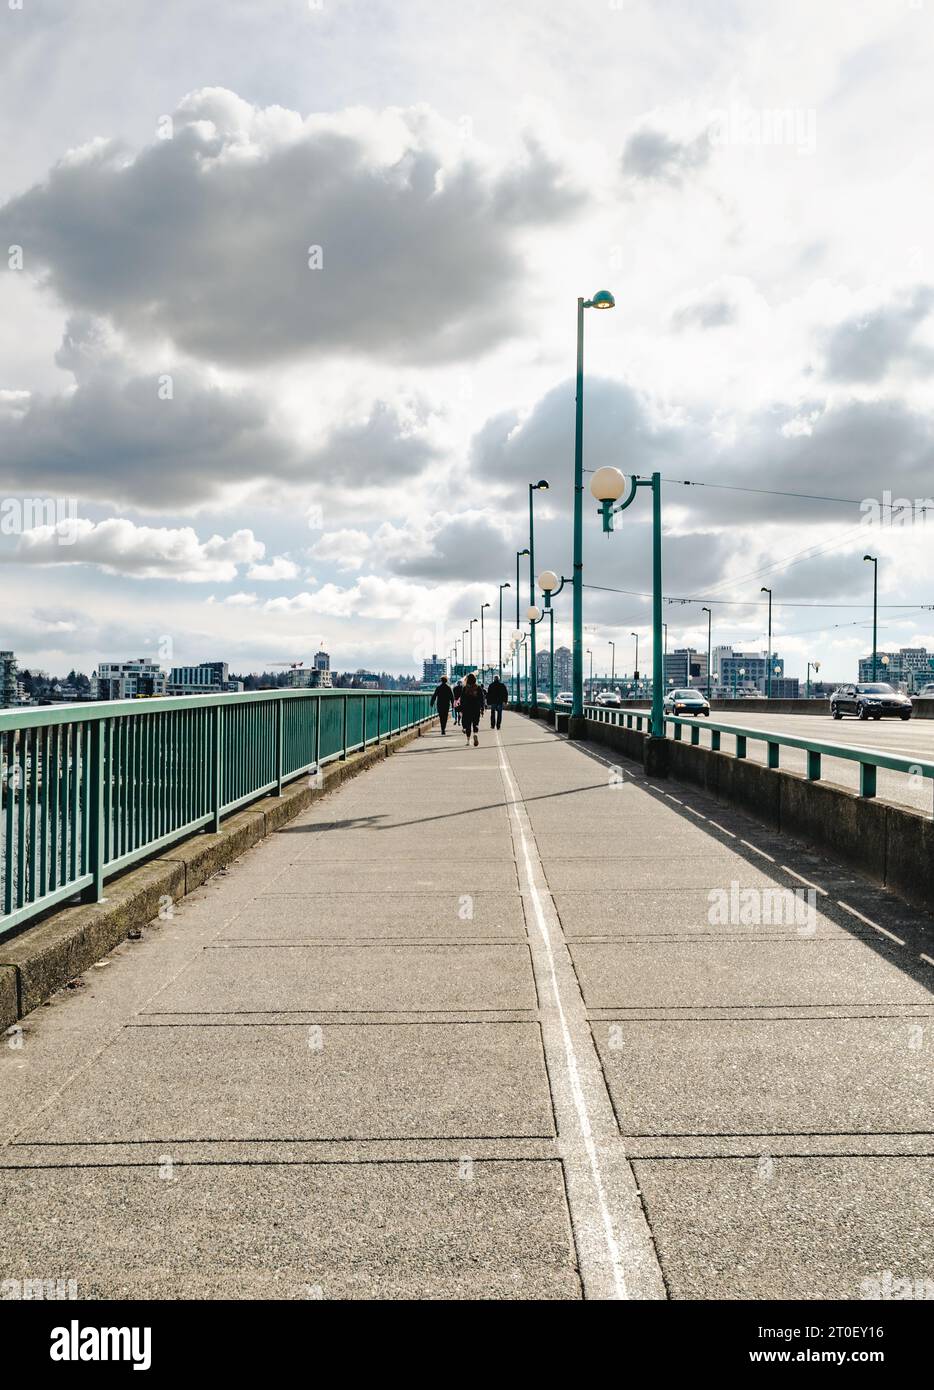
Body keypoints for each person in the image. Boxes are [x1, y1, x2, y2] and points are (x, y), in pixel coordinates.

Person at [459, 672, 485, 747]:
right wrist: (482, 708)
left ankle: (468, 741)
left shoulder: (465, 688)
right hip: (476, 708)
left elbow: (462, 699)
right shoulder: (478, 687)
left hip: (467, 708)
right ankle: (475, 734)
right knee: (475, 723)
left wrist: (461, 709)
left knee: (468, 725)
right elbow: (482, 699)